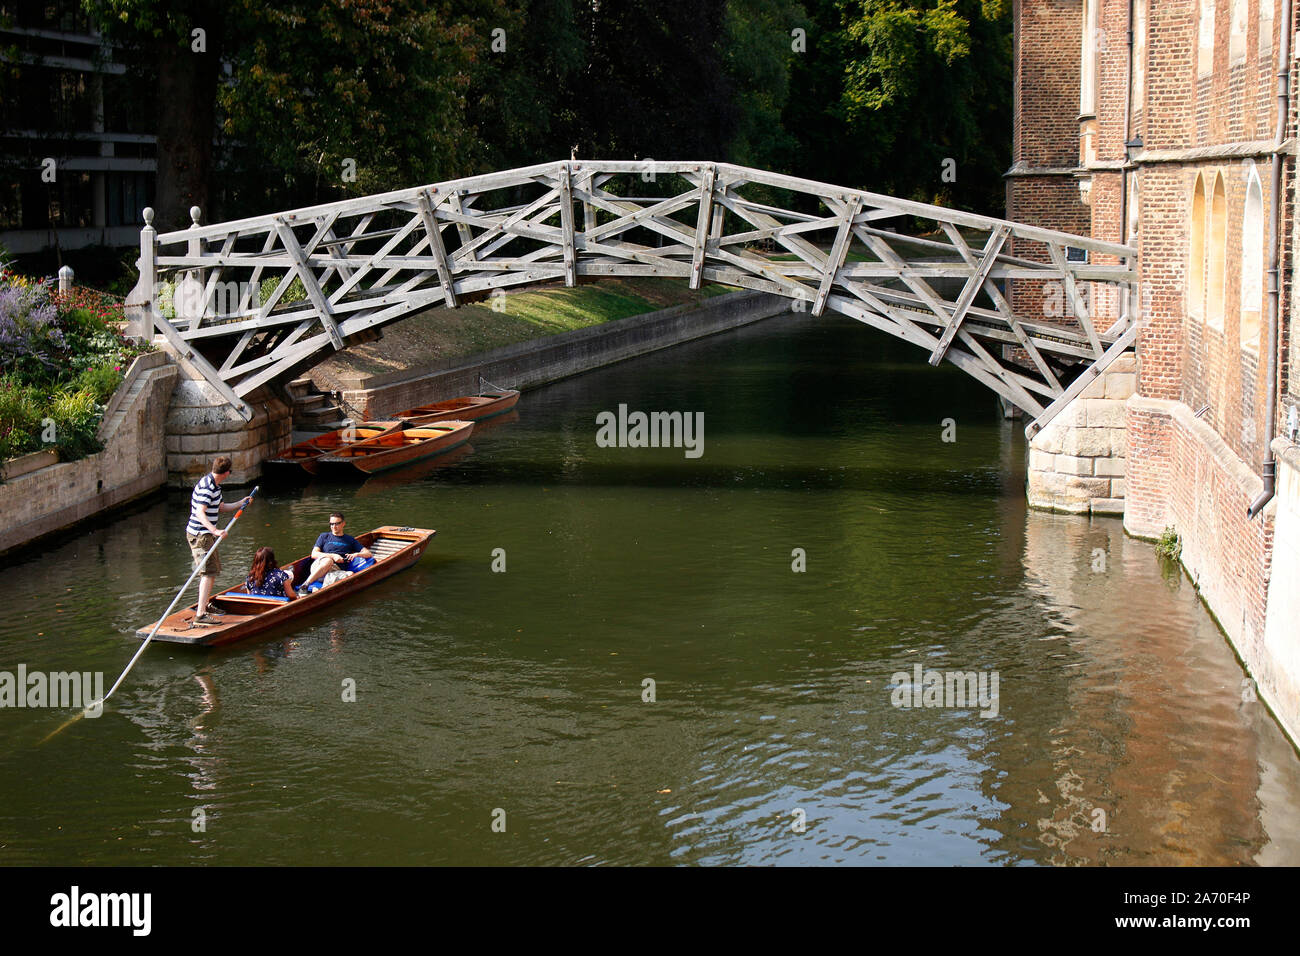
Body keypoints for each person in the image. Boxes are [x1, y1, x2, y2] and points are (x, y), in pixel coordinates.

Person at [187, 456, 252, 624]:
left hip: (206, 535)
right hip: (200, 536)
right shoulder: (207, 488)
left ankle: (205, 605)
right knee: (208, 573)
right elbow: (200, 512)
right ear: (227, 472)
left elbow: (221, 507)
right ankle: (201, 614)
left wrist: (240, 503)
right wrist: (215, 530)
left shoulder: (215, 486)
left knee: (212, 570)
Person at [299, 512, 373, 591]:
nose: (334, 526)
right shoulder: (324, 536)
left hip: (335, 571)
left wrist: (356, 554)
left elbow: (368, 553)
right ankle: (305, 585)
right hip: (319, 567)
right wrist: (333, 556)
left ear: (343, 523)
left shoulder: (349, 540)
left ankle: (320, 590)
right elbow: (314, 554)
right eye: (331, 524)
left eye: (337, 524)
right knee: (328, 560)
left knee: (350, 574)